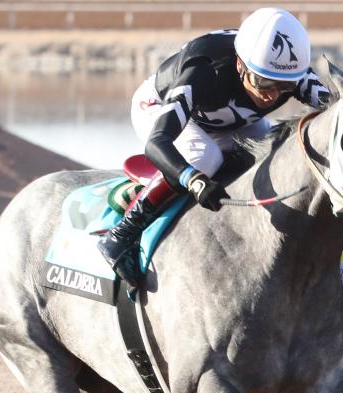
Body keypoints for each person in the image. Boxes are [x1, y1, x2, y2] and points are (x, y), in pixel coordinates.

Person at [99, 7, 331, 287]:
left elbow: (340, 112)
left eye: (284, 86)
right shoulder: (204, 72)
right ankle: (121, 234)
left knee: (275, 149)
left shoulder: (292, 74)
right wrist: (193, 180)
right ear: (240, 65)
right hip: (159, 106)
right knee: (204, 157)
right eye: (263, 82)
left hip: (225, 119)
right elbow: (157, 142)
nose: (271, 95)